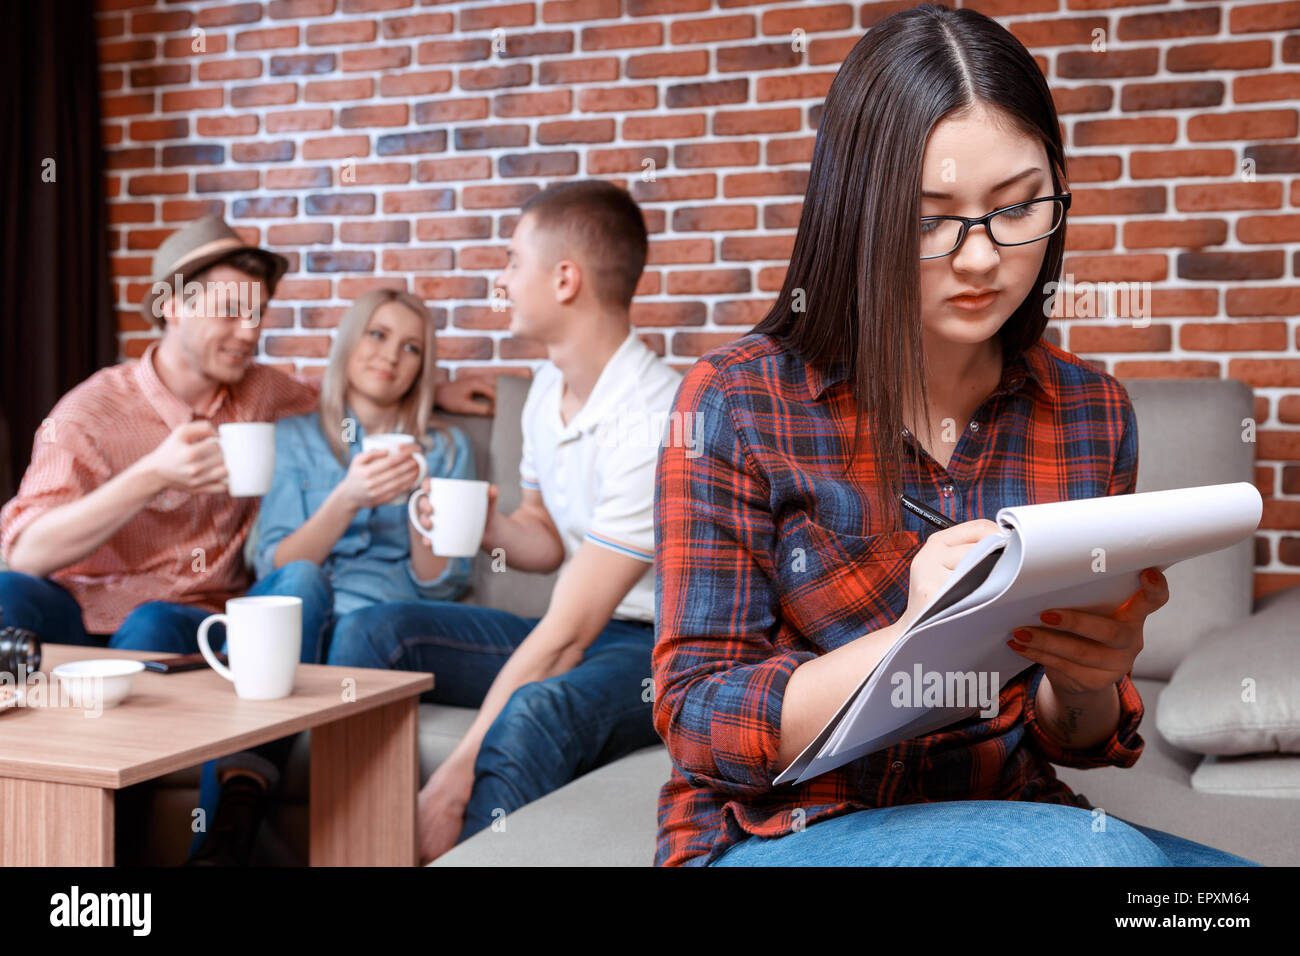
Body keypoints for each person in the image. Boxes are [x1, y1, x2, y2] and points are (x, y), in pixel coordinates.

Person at [651, 4, 1259, 867]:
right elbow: (697, 720)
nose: (980, 259)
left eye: (1018, 209)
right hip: (782, 830)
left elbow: (1075, 741)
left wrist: (1083, 681)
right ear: (853, 212)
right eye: (929, 218)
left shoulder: (1090, 413)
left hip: (1007, 814)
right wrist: (909, 640)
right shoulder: (736, 402)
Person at [0, 215, 493, 867]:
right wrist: (150, 476)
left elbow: (349, 393)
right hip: (84, 624)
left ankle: (210, 846)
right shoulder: (91, 412)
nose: (251, 330)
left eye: (258, 313)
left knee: (249, 596)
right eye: (231, 311)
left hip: (199, 625)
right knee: (9, 592)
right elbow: (24, 551)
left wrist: (439, 393)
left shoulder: (264, 392)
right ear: (172, 304)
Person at [326, 179, 682, 864]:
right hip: (586, 626)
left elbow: (566, 633)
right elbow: (545, 539)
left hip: (655, 650)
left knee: (535, 709)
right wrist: (490, 528)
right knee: (375, 630)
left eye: (514, 260)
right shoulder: (546, 385)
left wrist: (453, 776)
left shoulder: (654, 417)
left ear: (566, 278)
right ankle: (359, 852)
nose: (503, 278)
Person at [253, 288, 475, 620]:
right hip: (300, 607)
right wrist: (347, 499)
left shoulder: (445, 447)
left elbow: (440, 587)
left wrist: (418, 496)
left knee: (364, 626)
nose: (391, 356)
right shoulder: (294, 436)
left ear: (421, 367)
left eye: (411, 348)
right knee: (301, 581)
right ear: (349, 341)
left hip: (379, 616)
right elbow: (273, 570)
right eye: (377, 335)